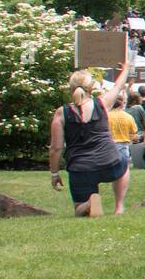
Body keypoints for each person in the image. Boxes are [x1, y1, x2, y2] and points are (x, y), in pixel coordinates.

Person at [49, 64, 132, 217]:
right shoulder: (102, 103)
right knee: (124, 164)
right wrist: (126, 68)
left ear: (71, 88)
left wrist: (54, 173)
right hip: (110, 162)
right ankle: (119, 207)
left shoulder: (62, 113)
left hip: (80, 169)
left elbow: (56, 148)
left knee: (79, 210)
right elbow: (118, 86)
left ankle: (88, 204)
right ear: (91, 87)